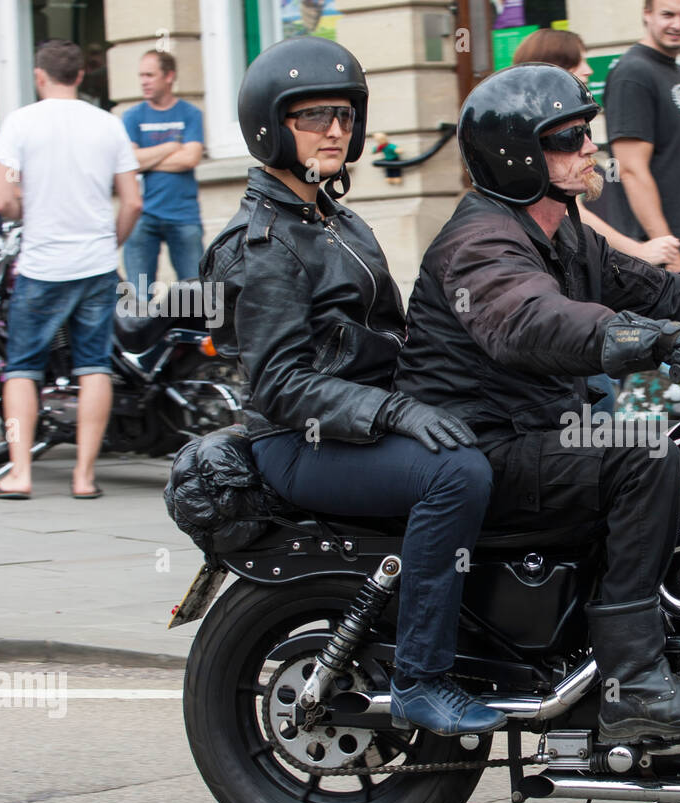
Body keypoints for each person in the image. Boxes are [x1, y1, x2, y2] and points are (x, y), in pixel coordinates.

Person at [396, 64, 680, 744]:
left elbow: (663, 291)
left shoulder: (566, 234)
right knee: (643, 450)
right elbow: (533, 323)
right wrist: (665, 343)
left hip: (542, 433)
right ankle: (634, 682)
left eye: (586, 132)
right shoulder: (481, 242)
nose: (588, 148)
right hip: (485, 447)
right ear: (518, 157)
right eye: (567, 138)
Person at [202, 36, 501, 736]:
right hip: (300, 441)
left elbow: (394, 336)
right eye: (311, 116)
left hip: (360, 422)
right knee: (454, 475)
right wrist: (393, 408)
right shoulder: (265, 244)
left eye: (343, 114)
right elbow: (281, 383)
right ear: (272, 127)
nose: (334, 129)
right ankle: (423, 678)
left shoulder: (337, 220)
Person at [0, 40, 142, 501]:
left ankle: (20, 474)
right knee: (93, 366)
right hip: (94, 263)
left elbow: (2, 199)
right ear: (80, 77)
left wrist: (22, 209)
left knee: (23, 369)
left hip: (43, 263)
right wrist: (110, 242)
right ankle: (85, 477)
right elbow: (132, 201)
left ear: (39, 75)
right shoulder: (108, 124)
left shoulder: (20, 123)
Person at [513, 28, 680, 269]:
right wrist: (638, 251)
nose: (588, 70)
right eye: (577, 62)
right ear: (553, 68)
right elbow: (571, 213)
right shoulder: (536, 134)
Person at [605, 0, 680, 278]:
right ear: (647, 14)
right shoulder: (633, 73)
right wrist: (671, 254)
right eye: (667, 14)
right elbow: (630, 170)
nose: (677, 24)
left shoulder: (670, 68)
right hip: (669, 243)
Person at [121, 50, 204, 309]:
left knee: (196, 296)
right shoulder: (133, 116)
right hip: (143, 217)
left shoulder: (190, 113)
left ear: (169, 76)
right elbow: (129, 162)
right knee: (138, 299)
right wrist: (170, 147)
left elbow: (190, 158)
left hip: (184, 216)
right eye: (141, 76)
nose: (143, 81)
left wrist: (146, 158)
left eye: (149, 75)